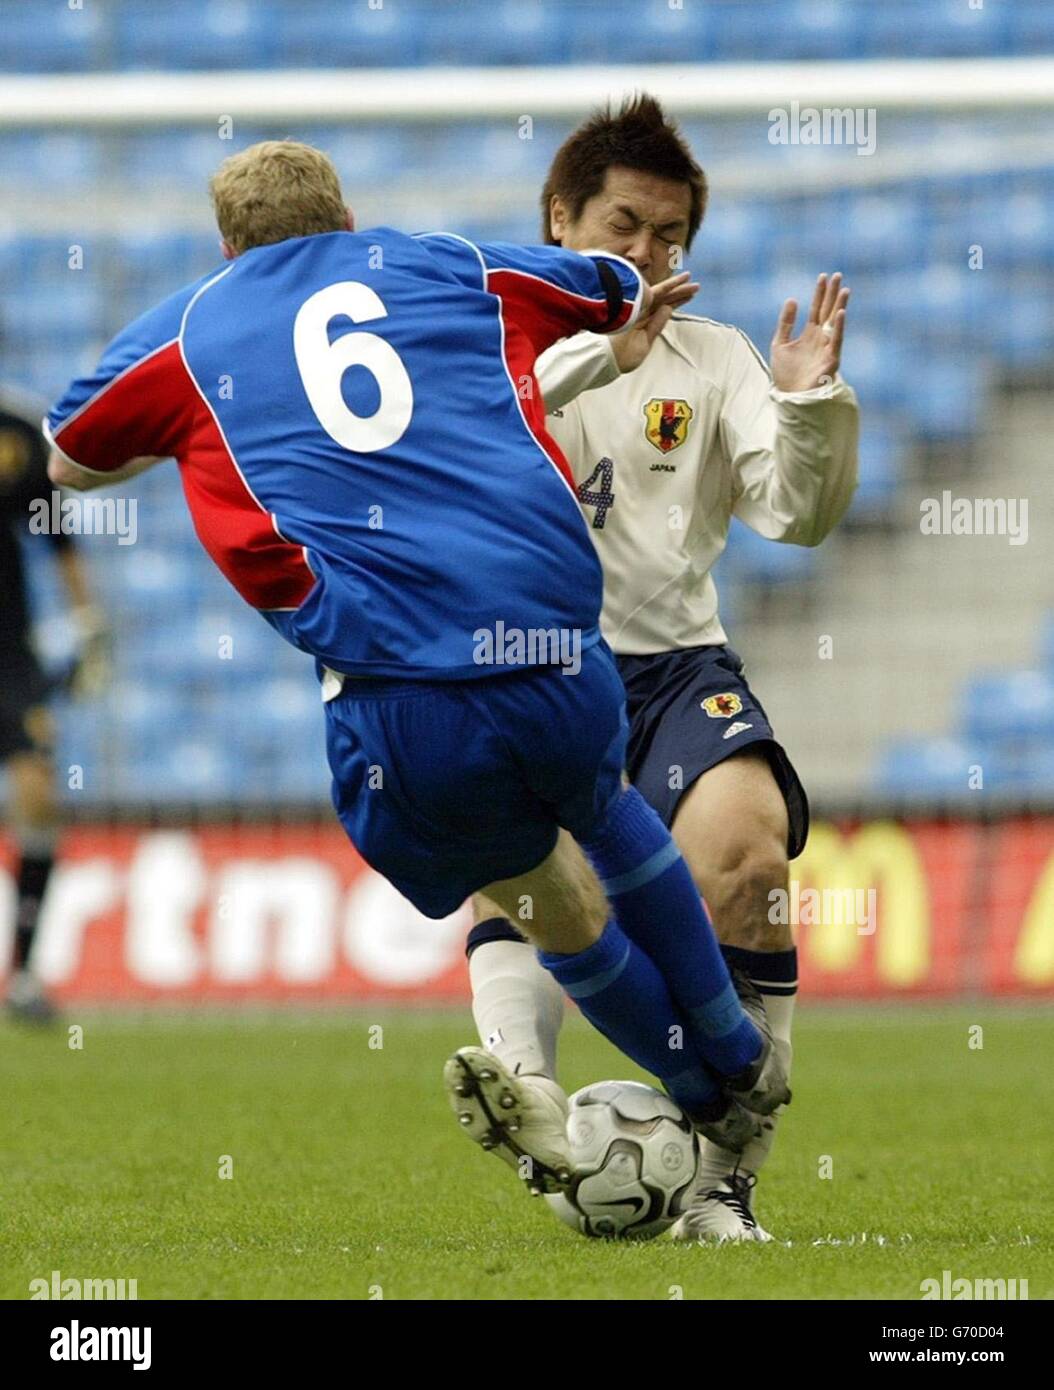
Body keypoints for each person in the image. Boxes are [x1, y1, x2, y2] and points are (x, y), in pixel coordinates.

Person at [45, 140, 787, 1183]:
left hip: (397, 689)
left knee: (545, 899)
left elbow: (67, 453)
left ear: (224, 245)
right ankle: (737, 1058)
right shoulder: (447, 263)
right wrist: (614, 290)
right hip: (550, 642)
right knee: (612, 817)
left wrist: (176, 433)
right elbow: (621, 286)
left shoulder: (191, 326)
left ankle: (676, 1091)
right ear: (348, 220)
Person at [449, 96, 859, 1241]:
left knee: (752, 865)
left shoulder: (717, 357)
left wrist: (810, 405)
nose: (647, 255)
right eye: (623, 226)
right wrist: (595, 358)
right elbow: (475, 449)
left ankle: (726, 1185)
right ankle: (529, 1108)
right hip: (528, 658)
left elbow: (798, 512)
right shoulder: (484, 336)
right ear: (557, 218)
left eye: (669, 237)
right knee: (521, 881)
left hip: (677, 669)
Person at [0, 380, 109, 1021]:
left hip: (10, 655)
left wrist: (88, 623)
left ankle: (25, 974)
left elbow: (57, 537)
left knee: (39, 793)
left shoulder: (17, 429)